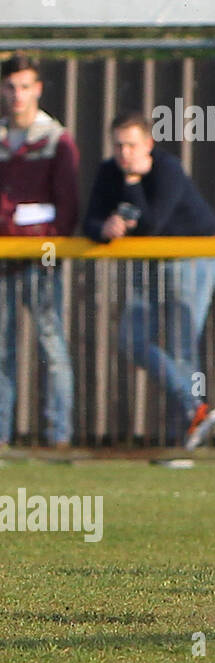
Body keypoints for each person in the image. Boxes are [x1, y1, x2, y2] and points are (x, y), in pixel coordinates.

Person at [84, 113, 215, 449]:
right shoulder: (108, 171)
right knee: (131, 340)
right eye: (118, 145)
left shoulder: (167, 168)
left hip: (192, 259)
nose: (124, 153)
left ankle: (188, 435)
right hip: (149, 265)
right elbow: (89, 220)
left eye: (131, 145)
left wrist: (132, 184)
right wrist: (103, 229)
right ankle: (195, 410)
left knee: (181, 346)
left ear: (148, 143)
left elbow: (154, 224)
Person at [0, 54, 77, 450]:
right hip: (3, 260)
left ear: (38, 89)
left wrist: (28, 226)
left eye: (25, 86)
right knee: (2, 350)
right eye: (11, 86)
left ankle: (59, 438)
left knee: (52, 344)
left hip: (41, 260)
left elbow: (65, 208)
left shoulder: (55, 138)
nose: (17, 94)